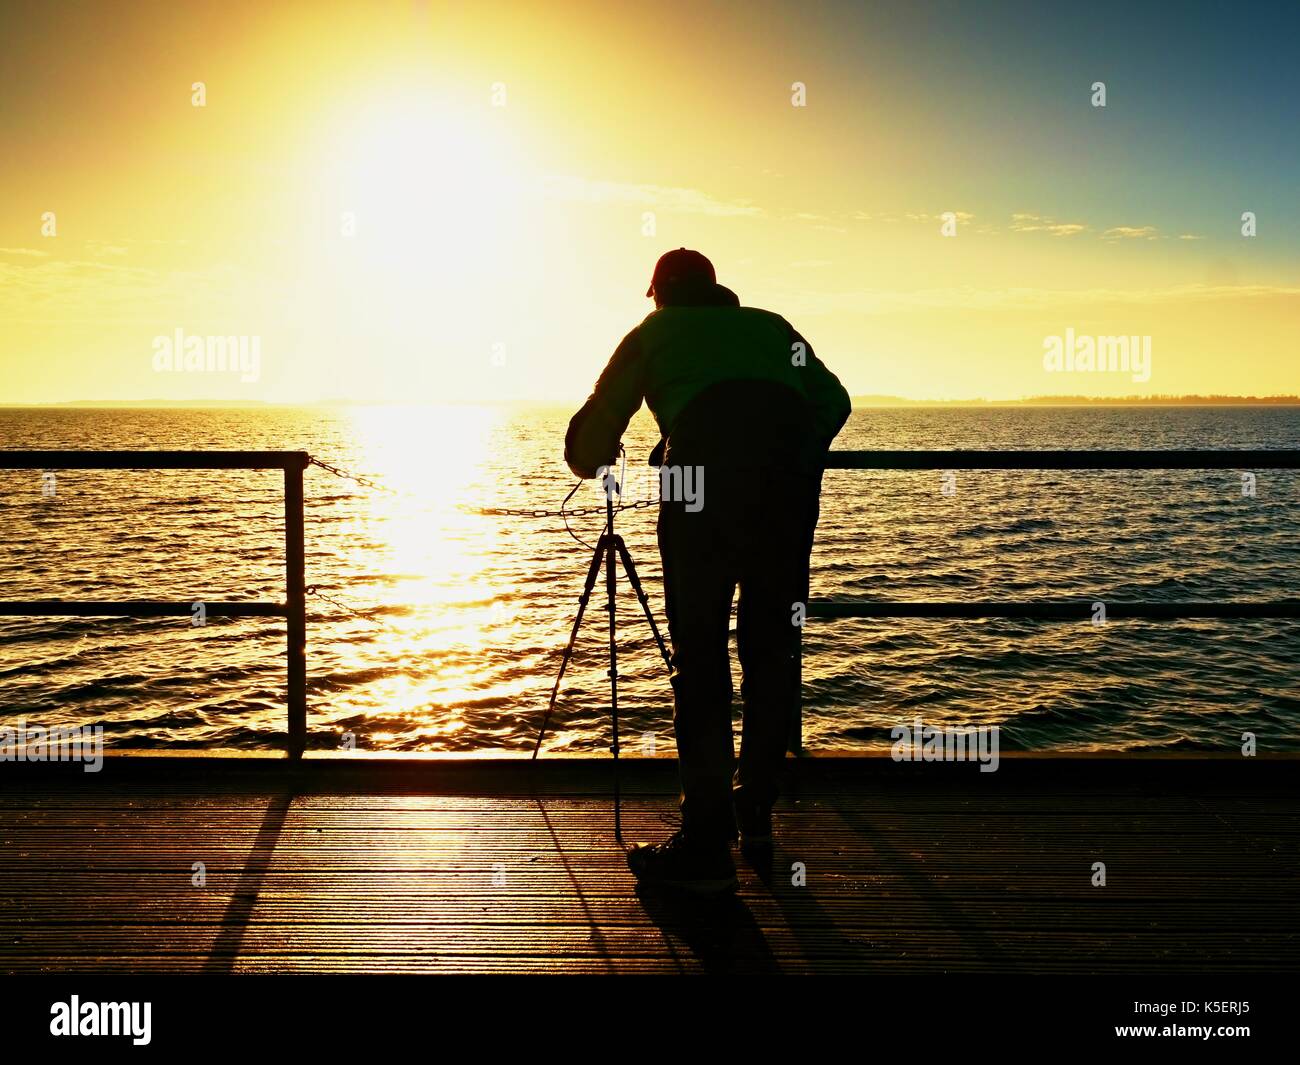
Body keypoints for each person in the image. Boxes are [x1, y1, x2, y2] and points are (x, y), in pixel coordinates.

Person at [565, 248, 851, 894]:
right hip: (785, 500)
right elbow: (835, 400)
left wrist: (643, 443)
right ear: (718, 291)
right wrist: (795, 457)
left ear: (661, 295)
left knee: (701, 662)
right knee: (770, 652)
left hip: (701, 500)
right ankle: (755, 810)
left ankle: (706, 845)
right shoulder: (773, 328)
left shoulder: (653, 335)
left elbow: (585, 450)